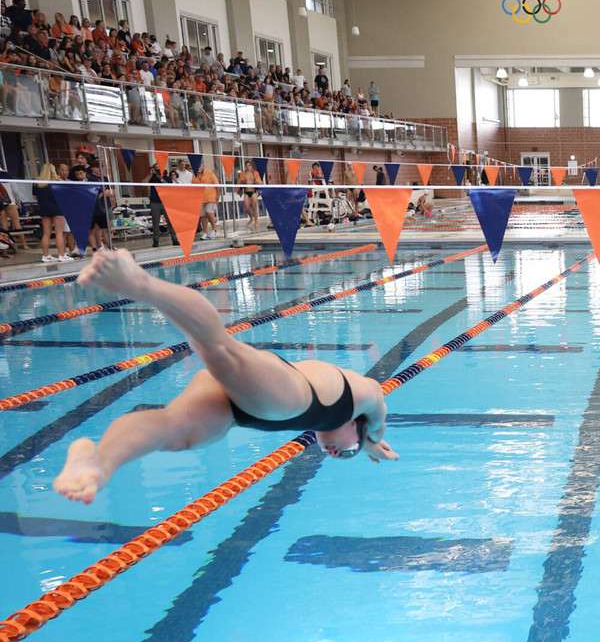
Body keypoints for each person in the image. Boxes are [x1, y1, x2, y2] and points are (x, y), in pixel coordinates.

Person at [53, 249, 398, 505]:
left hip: (239, 412)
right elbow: (378, 423)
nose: (338, 453)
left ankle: (99, 461)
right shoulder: (362, 396)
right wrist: (371, 443)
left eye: (337, 456)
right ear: (357, 424)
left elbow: (367, 439)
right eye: (348, 450)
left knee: (176, 431)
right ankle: (141, 284)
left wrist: (365, 448)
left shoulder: (342, 428)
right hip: (290, 391)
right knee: (217, 350)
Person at [35, 162, 69, 261]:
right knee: (59, 233)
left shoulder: (37, 184)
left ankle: (45, 255)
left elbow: (35, 196)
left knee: (46, 233)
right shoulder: (57, 183)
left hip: (44, 209)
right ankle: (61, 255)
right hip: (57, 209)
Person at [146, 162, 171, 247]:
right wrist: (150, 174)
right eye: (156, 168)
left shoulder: (167, 178)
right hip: (155, 202)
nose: (157, 170)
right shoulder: (152, 178)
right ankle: (156, 241)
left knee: (170, 222)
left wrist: (160, 177)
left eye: (159, 168)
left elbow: (169, 186)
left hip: (166, 202)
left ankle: (174, 239)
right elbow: (143, 183)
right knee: (155, 223)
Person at [194, 163, 220, 238]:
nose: (198, 168)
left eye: (199, 166)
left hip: (211, 197)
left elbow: (217, 185)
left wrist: (218, 195)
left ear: (202, 166)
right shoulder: (194, 175)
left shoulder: (209, 173)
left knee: (209, 212)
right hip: (201, 199)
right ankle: (205, 232)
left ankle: (214, 229)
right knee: (203, 216)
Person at [238, 162, 262, 232]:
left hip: (253, 191)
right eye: (246, 166)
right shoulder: (243, 173)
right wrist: (240, 189)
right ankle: (251, 217)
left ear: (251, 166)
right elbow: (240, 181)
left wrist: (258, 187)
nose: (247, 167)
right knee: (246, 207)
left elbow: (259, 181)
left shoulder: (255, 173)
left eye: (248, 165)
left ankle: (256, 221)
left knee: (255, 207)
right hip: (246, 191)